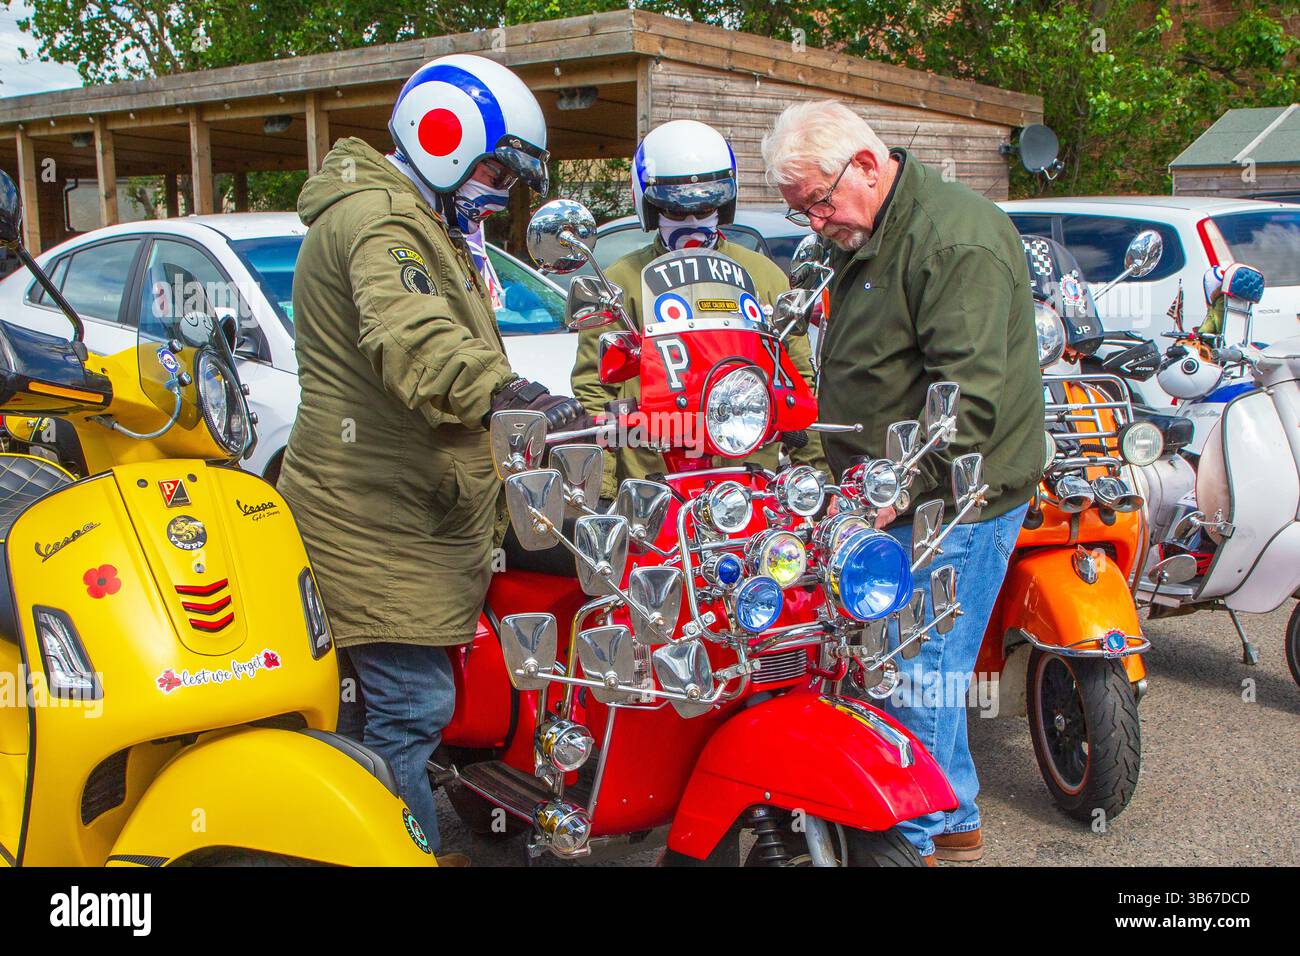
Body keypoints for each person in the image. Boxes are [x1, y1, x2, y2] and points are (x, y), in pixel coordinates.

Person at [277, 53, 586, 860]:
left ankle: (334, 832)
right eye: (493, 167)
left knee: (384, 708)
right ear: (443, 139)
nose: (500, 189)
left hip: (414, 508)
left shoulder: (422, 221)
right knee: (409, 710)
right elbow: (416, 340)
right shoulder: (383, 223)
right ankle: (393, 851)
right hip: (377, 517)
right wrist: (511, 395)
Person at [762, 100, 1045, 865]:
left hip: (951, 500)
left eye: (817, 203)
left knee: (908, 672)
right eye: (802, 212)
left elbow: (971, 401)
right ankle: (951, 814)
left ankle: (905, 841)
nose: (815, 223)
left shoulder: (953, 241)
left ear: (862, 164)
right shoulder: (869, 228)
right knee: (926, 667)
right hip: (891, 490)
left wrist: (892, 490)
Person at [571, 119, 824, 495]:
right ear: (651, 207)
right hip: (655, 474)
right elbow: (595, 387)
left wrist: (813, 474)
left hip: (749, 472)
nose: (691, 220)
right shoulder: (621, 281)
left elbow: (799, 377)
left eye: (706, 207)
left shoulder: (763, 275)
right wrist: (605, 488)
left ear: (725, 204)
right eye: (675, 210)